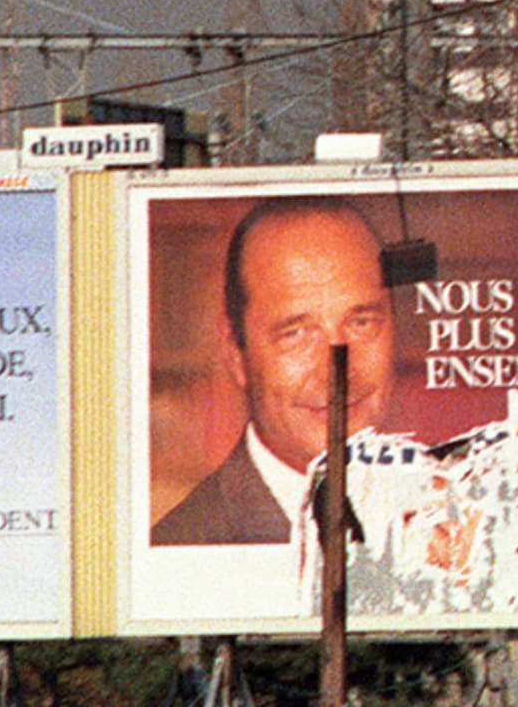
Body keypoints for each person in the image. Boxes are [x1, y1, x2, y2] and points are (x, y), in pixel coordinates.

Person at [152, 196, 397, 545]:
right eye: (295, 333)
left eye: (361, 322)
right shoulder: (185, 546)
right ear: (236, 352)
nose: (336, 372)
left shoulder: (445, 515)